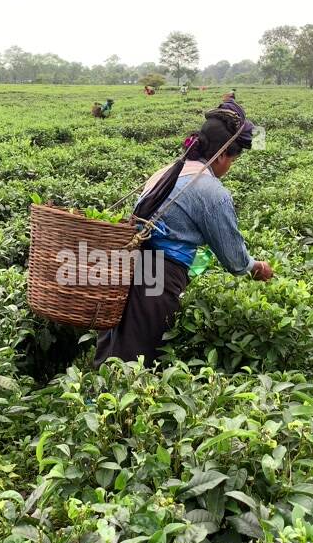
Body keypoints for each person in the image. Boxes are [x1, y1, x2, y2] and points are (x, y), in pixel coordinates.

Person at [94, 101, 273, 369]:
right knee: (136, 359)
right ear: (222, 155)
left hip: (128, 264)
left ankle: (96, 399)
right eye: (233, 160)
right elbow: (234, 260)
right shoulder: (212, 192)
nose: (230, 167)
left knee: (113, 341)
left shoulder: (167, 170)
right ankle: (112, 407)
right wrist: (256, 267)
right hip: (157, 273)